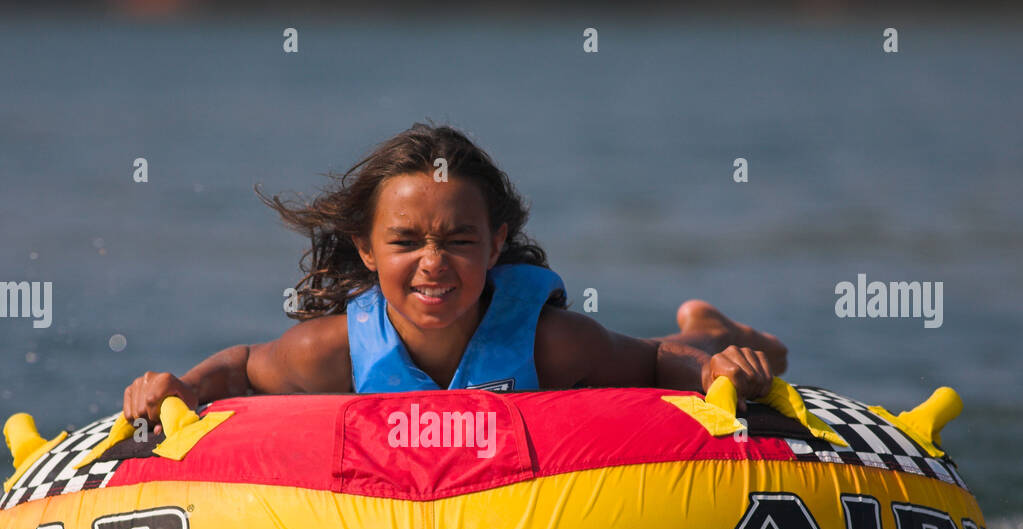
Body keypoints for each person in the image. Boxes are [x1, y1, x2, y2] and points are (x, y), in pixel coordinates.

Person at [123, 124, 787, 425]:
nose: (433, 263)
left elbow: (650, 362)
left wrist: (712, 369)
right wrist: (181, 384)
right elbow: (241, 368)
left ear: (496, 245)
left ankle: (716, 327)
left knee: (700, 347)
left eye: (459, 240)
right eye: (406, 241)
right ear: (365, 249)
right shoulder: (333, 353)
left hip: (679, 348)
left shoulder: (551, 344)